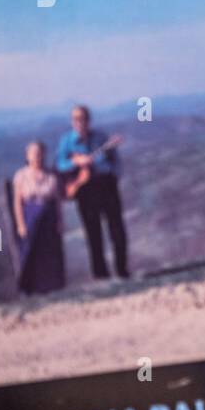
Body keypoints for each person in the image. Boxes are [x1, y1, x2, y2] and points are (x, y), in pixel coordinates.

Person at [56, 105, 129, 280]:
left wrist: (114, 175)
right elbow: (60, 165)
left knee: (117, 228)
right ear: (72, 121)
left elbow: (115, 158)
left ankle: (122, 270)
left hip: (106, 184)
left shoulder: (101, 137)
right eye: (76, 119)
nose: (80, 122)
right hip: (85, 190)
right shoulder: (66, 141)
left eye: (83, 118)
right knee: (92, 232)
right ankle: (100, 274)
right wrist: (77, 162)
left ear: (89, 120)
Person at [12, 141, 66, 295]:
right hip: (30, 215)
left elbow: (57, 201)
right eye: (33, 153)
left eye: (40, 153)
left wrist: (60, 221)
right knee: (29, 251)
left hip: (49, 216)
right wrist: (20, 224)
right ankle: (27, 288)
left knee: (48, 252)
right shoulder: (21, 176)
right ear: (27, 156)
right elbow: (17, 202)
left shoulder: (51, 175)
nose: (37, 156)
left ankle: (49, 287)